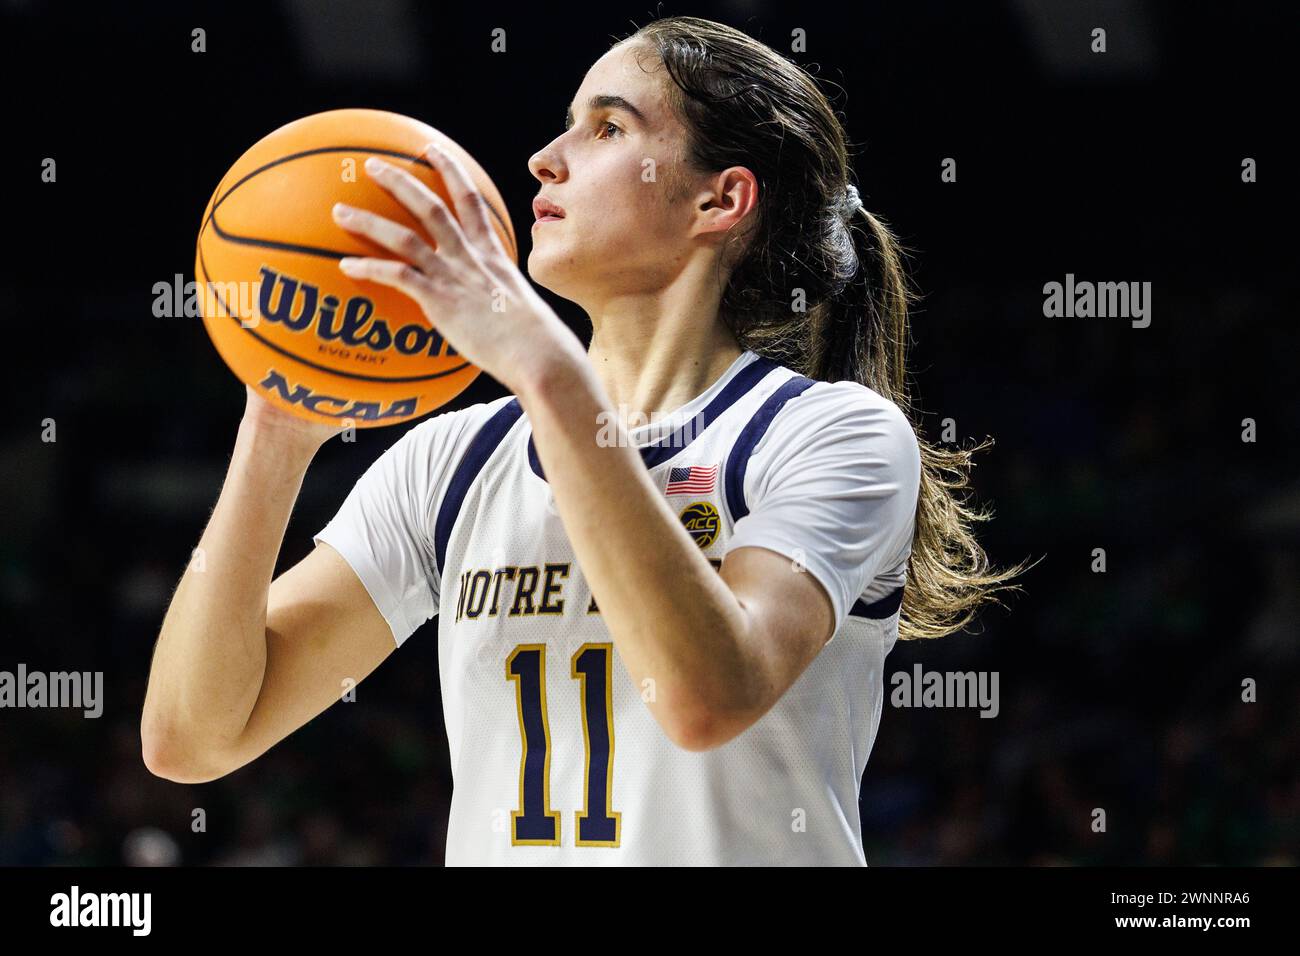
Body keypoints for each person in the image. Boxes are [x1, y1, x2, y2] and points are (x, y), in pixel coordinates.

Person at [142, 15, 1023, 865]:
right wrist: (278, 424)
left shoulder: (826, 435)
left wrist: (542, 365)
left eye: (606, 127)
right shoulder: (451, 464)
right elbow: (192, 738)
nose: (543, 159)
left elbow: (707, 698)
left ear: (721, 198)